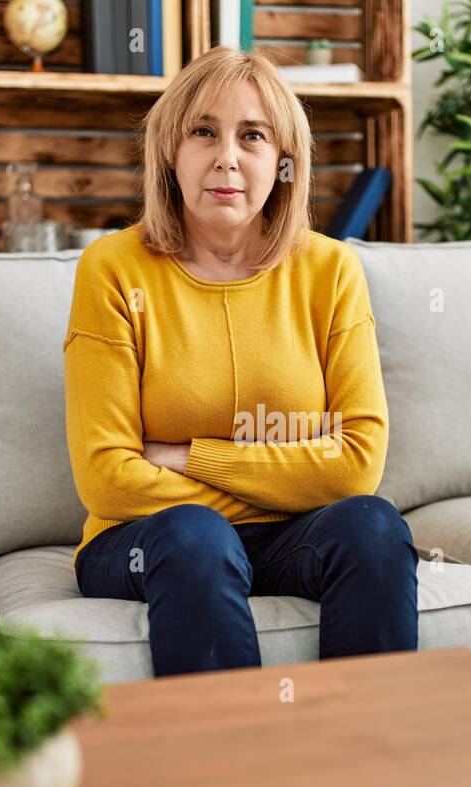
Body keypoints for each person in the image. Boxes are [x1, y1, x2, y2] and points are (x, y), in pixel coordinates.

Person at [63, 47, 418, 677]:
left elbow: (358, 463)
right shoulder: (113, 269)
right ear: (172, 152)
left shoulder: (331, 271)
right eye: (204, 131)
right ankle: (235, 767)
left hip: (291, 539)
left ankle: (369, 755)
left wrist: (190, 454)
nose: (227, 156)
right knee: (201, 537)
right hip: (149, 540)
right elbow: (106, 477)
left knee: (374, 527)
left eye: (252, 135)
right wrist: (289, 476)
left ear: (282, 163)